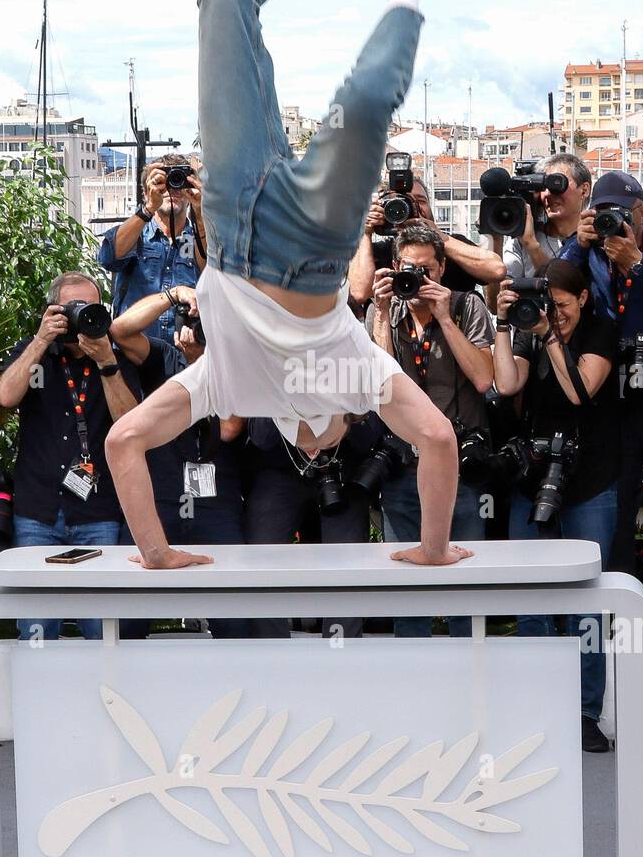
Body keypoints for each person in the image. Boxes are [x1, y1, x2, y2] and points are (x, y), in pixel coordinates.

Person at [107, 0, 466, 572]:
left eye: (310, 441)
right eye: (324, 441)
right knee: (366, 104)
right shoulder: (358, 375)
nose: (314, 441)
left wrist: (156, 552)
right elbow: (436, 439)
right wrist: (432, 549)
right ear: (348, 424)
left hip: (232, 221)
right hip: (309, 244)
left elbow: (122, 444)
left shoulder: (224, 383)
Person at [493, 259, 620, 752]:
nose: (555, 313)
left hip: (589, 483)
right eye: (550, 305)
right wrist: (506, 324)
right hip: (534, 479)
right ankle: (537, 705)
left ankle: (586, 711)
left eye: (562, 305)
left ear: (583, 298)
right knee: (531, 598)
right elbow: (506, 384)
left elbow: (579, 391)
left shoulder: (601, 329)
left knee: (586, 604)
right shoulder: (529, 325)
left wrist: (551, 334)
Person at [0, 271, 141, 640]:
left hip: (97, 511)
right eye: (72, 307)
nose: (80, 315)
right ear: (53, 309)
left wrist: (107, 361)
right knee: (37, 627)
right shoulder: (36, 353)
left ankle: (104, 695)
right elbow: (5, 396)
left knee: (101, 626)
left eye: (89, 306)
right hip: (38, 513)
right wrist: (41, 340)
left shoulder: (114, 357)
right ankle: (39, 697)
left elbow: (131, 422)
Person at [367, 222, 494, 636]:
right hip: (402, 462)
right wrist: (383, 313)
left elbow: (482, 379)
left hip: (459, 463)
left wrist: (443, 316)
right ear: (394, 267)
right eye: (408, 269)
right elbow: (380, 385)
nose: (416, 279)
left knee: (465, 585)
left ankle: (471, 681)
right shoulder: (384, 309)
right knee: (407, 590)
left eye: (425, 270)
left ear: (441, 270)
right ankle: (411, 687)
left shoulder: (466, 305)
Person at [559, 170, 643, 573]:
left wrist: (638, 263)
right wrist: (576, 248)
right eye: (602, 213)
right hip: (614, 396)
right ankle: (619, 594)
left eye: (622, 213)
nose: (613, 222)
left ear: (642, 213)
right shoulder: (588, 248)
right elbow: (557, 286)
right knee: (619, 501)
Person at [109, 284, 249, 639]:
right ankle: (124, 685)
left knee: (232, 613)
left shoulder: (238, 365)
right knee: (129, 609)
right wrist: (174, 296)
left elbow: (230, 427)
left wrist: (203, 363)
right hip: (159, 500)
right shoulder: (162, 357)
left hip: (216, 504)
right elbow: (120, 330)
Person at [242, 413, 385, 640]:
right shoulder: (269, 375)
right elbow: (261, 436)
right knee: (261, 560)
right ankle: (270, 657)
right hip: (278, 468)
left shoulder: (350, 375)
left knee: (347, 570)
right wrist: (291, 400)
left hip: (345, 470)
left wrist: (337, 406)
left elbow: (367, 436)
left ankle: (340, 659)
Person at [98, 152, 207, 347]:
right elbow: (109, 258)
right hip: (133, 355)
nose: (171, 189)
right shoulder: (135, 234)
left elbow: (210, 271)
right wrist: (148, 208)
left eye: (177, 180)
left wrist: (200, 210)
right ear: (146, 190)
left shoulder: (198, 238)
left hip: (185, 356)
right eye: (161, 182)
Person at [349, 175, 505, 311]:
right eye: (404, 203)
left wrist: (439, 237)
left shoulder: (453, 245)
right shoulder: (380, 252)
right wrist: (365, 232)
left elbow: (497, 270)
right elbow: (359, 293)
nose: (414, 208)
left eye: (420, 201)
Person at [499, 153, 593, 280]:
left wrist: (532, 245)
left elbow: (562, 288)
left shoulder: (593, 239)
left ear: (584, 190)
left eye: (557, 183)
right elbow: (493, 298)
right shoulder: (520, 242)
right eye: (543, 186)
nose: (548, 193)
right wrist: (493, 238)